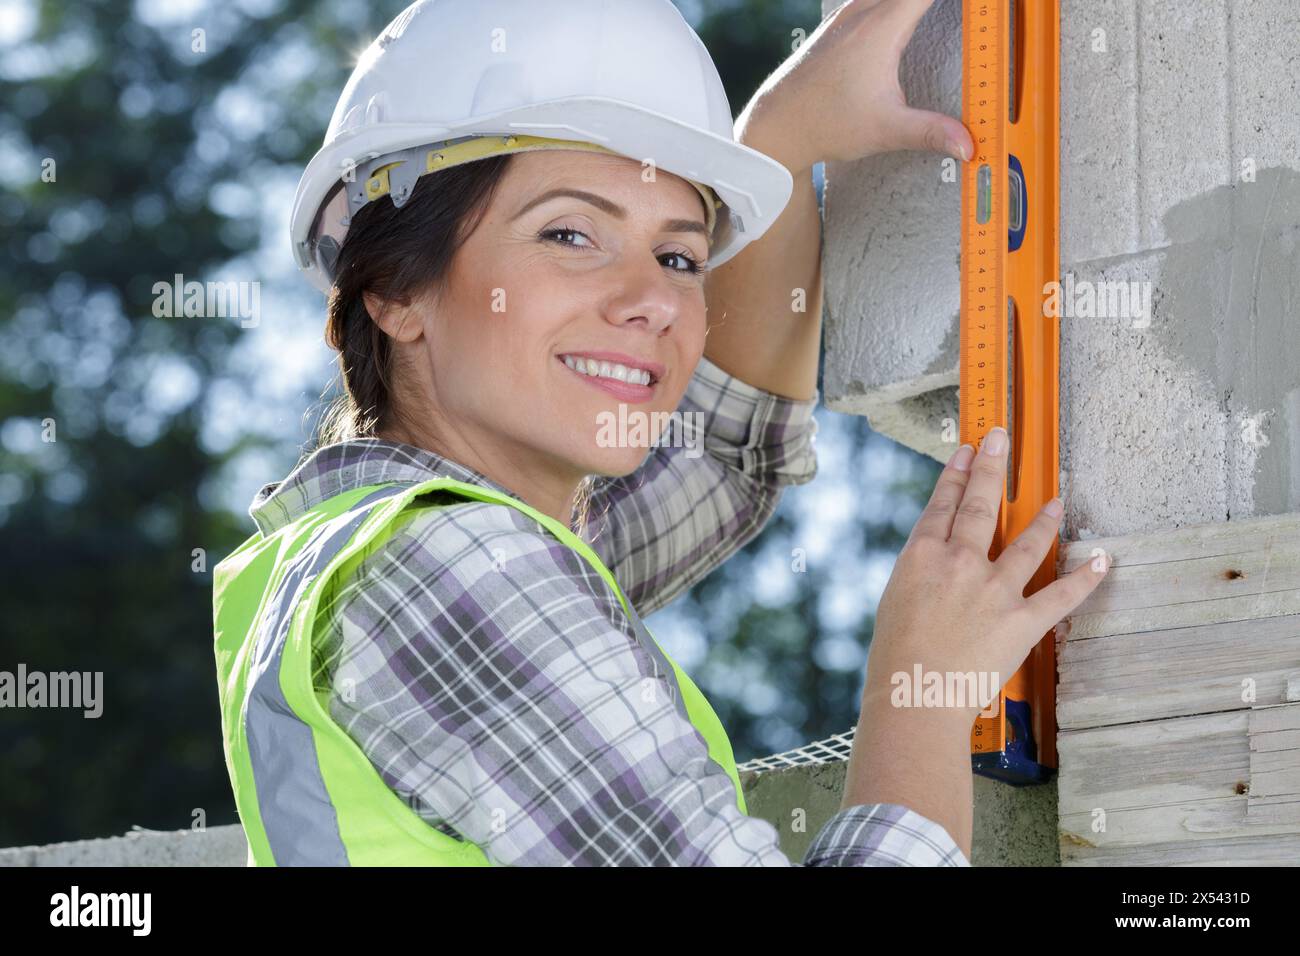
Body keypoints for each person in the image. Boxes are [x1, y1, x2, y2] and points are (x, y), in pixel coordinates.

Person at [212, 0, 1108, 866]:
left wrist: (783, 139)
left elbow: (723, 455)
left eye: (680, 255)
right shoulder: (450, 566)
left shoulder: (355, 559)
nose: (655, 303)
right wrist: (919, 690)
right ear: (397, 290)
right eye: (569, 234)